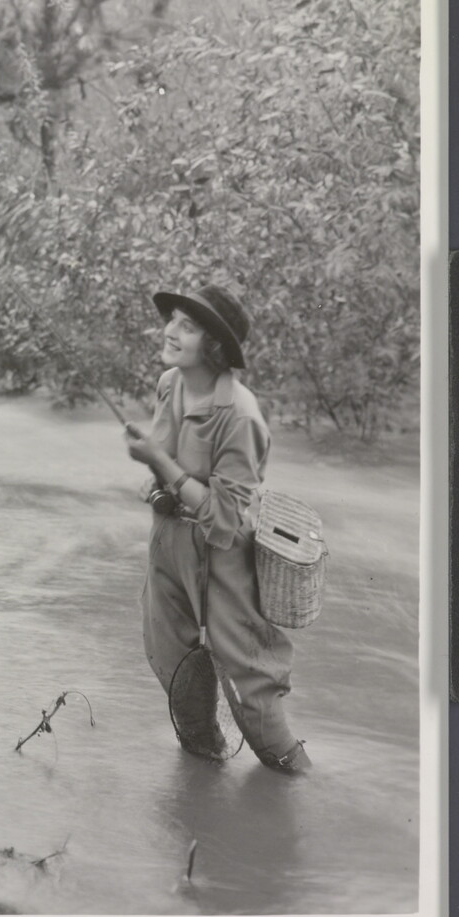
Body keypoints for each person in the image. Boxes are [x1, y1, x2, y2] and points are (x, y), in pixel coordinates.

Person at [123, 285, 312, 774]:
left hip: (221, 555)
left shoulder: (241, 416)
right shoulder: (172, 382)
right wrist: (155, 478)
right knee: (173, 661)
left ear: (214, 346)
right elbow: (165, 455)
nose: (170, 331)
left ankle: (294, 780)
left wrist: (160, 462)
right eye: (173, 321)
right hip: (168, 538)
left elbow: (227, 521)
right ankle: (204, 790)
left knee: (251, 679)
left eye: (187, 326)